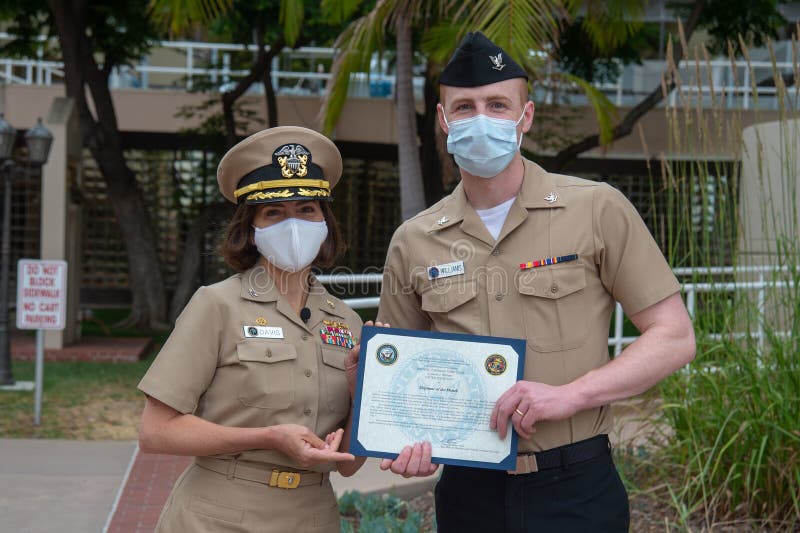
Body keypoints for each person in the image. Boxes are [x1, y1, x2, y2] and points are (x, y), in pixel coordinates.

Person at [374, 32, 696, 532]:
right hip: (467, 493)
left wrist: (572, 395)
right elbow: (395, 376)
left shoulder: (595, 208)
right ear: (443, 121)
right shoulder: (413, 240)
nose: (480, 119)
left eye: (497, 104)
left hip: (577, 488)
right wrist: (405, 439)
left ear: (525, 117)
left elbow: (674, 336)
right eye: (464, 107)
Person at [137, 126, 367, 532]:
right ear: (252, 228)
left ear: (325, 222)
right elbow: (156, 431)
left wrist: (363, 390)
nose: (293, 224)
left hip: (313, 517)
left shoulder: (347, 323)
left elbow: (349, 463)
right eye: (274, 212)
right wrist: (267, 437)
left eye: (306, 209)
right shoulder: (217, 305)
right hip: (219, 516)